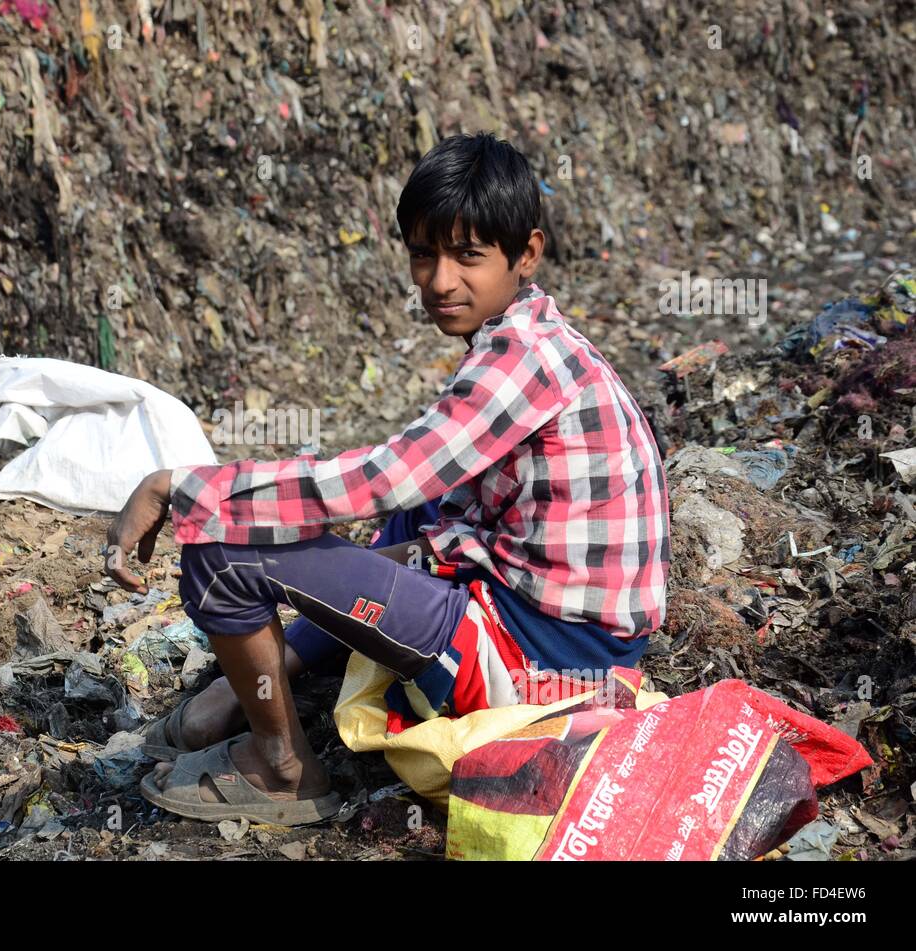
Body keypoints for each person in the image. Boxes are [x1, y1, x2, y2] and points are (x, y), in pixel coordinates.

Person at [105, 132, 671, 824]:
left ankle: (282, 768)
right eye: (423, 255)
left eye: (468, 256)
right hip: (569, 636)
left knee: (222, 548)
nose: (439, 281)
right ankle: (250, 685)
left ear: (526, 254)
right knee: (414, 515)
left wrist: (181, 486)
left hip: (544, 663)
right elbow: (420, 498)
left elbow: (381, 478)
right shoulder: (532, 340)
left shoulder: (520, 363)